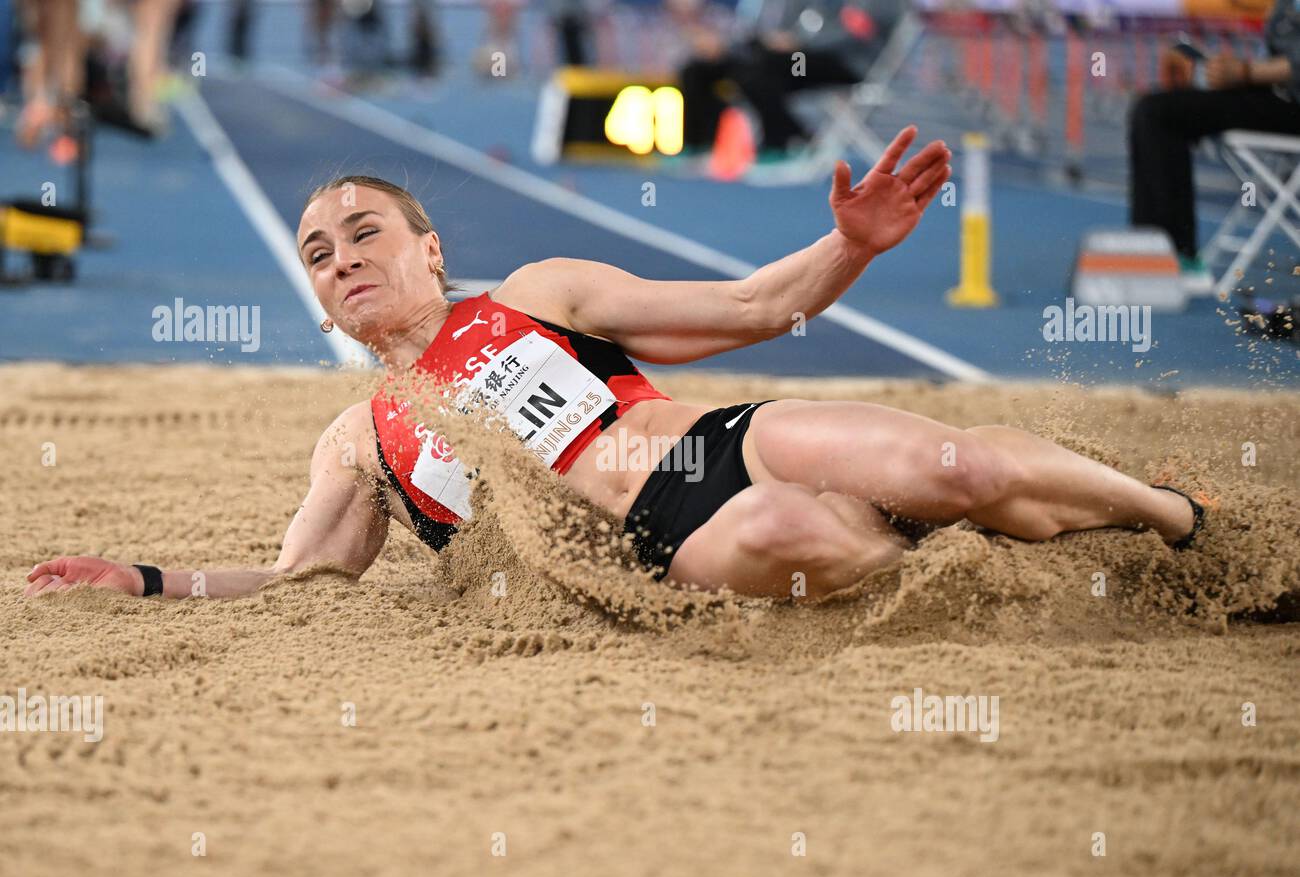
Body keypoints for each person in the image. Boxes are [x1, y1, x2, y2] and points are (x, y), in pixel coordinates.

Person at [25, 128, 1210, 603]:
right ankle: (950, 536)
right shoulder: (358, 438)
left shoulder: (539, 297)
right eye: (319, 254)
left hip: (708, 444)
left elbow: (756, 303)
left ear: (431, 251)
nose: (342, 260)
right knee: (792, 535)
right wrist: (141, 576)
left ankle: (1176, 516)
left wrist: (846, 244)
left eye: (366, 232)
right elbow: (305, 578)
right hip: (650, 548)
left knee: (935, 456)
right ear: (323, 303)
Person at [1129, 1, 1300, 293]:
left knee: (1159, 114)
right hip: (1277, 95)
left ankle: (1175, 254)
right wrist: (1222, 71)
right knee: (1152, 108)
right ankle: (1151, 249)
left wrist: (1246, 73)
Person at [678, 0, 901, 161]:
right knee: (698, 69)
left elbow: (855, 32)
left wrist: (799, 42)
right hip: (790, 57)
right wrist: (726, 46)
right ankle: (699, 144)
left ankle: (781, 140)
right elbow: (768, 32)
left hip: (845, 65)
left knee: (764, 65)